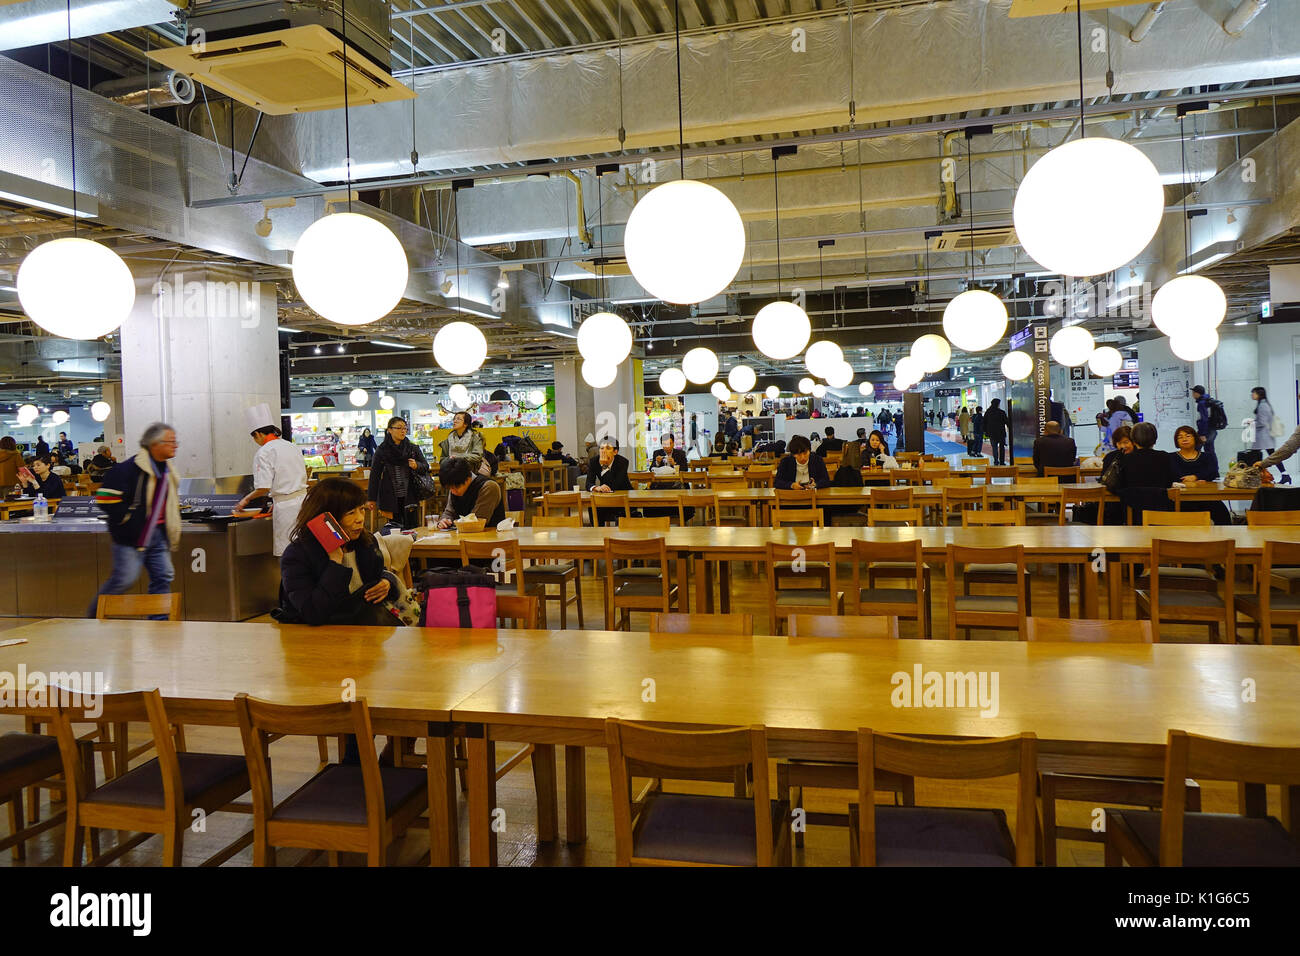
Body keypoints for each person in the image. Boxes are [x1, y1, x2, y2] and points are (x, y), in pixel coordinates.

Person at [276, 477, 400, 627]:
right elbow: (313, 613)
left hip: (364, 631)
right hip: (316, 639)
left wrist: (387, 582)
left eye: (362, 509)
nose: (360, 519)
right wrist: (335, 562)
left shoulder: (365, 541)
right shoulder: (297, 555)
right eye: (350, 513)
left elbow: (379, 572)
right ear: (325, 517)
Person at [90, 423, 180, 618]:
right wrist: (127, 521)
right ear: (155, 444)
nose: (176, 446)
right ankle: (93, 617)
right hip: (132, 537)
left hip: (158, 534)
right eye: (171, 442)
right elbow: (105, 499)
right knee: (124, 579)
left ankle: (159, 623)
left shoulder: (166, 470)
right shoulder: (127, 469)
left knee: (163, 576)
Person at [234, 404, 309, 557]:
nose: (256, 441)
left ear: (258, 434)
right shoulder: (291, 446)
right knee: (305, 548)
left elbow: (263, 487)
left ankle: (289, 581)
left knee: (289, 553)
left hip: (287, 510)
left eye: (254, 437)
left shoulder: (264, 452)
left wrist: (245, 500)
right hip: (306, 503)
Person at [368, 416, 430, 530]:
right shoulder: (382, 450)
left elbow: (425, 466)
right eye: (399, 428)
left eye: (405, 428)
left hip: (410, 493)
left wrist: (417, 465)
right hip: (390, 494)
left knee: (412, 528)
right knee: (394, 528)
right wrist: (371, 498)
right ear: (389, 430)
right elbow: (375, 475)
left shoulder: (412, 448)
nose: (403, 431)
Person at [1170, 424, 1230, 524]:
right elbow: (1173, 475)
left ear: (1195, 438)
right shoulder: (1171, 457)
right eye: (1180, 437)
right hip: (1182, 499)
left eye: (1188, 436)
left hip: (1206, 497)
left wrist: (1195, 477)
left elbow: (1213, 473)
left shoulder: (1207, 457)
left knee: (1223, 515)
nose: (1184, 439)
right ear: (1176, 441)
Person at [436, 457, 505, 529]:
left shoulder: (489, 487)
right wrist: (444, 521)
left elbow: (475, 522)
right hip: (462, 537)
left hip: (491, 538)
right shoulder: (455, 485)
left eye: (456, 488)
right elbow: (449, 512)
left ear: (468, 479)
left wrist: (453, 523)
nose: (453, 492)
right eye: (450, 488)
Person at [1247, 386, 1289, 483]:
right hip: (1264, 437)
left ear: (1259, 394)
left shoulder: (1263, 405)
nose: (1252, 395)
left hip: (1263, 437)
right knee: (1272, 456)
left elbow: (1262, 422)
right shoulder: (1263, 404)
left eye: (1253, 393)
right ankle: (1284, 475)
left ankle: (1254, 477)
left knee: (1259, 456)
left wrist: (1252, 423)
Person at [587, 438, 632, 525]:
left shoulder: (622, 462)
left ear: (615, 452)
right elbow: (588, 483)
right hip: (605, 497)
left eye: (608, 448)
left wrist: (604, 466)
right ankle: (597, 534)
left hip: (622, 496)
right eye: (601, 448)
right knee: (592, 506)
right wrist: (596, 487)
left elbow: (614, 485)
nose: (603, 451)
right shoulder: (594, 461)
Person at [1191, 385, 1223, 458]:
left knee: (1194, 450)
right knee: (1210, 451)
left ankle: (1193, 467)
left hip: (1206, 431)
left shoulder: (1202, 403)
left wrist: (1202, 434)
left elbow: (1204, 419)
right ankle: (1212, 468)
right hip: (1212, 430)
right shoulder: (1208, 401)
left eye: (1193, 392)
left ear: (1197, 393)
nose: (1192, 394)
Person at [982, 399, 1009, 466]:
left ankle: (996, 461)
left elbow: (984, 423)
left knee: (994, 448)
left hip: (992, 433)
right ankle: (1002, 461)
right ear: (998, 404)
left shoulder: (988, 412)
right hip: (1001, 433)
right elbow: (1007, 422)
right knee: (1002, 448)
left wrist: (985, 432)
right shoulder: (1002, 412)